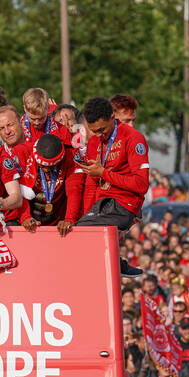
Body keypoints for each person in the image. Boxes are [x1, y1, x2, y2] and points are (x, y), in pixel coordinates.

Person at [72, 95, 150, 278]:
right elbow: (91, 185)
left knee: (82, 235)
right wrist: (86, 214)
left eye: (101, 129)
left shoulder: (134, 138)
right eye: (94, 131)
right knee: (77, 232)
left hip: (123, 205)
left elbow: (141, 184)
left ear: (112, 118)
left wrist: (104, 173)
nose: (99, 135)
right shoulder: (93, 142)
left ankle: (115, 264)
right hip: (103, 205)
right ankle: (115, 264)